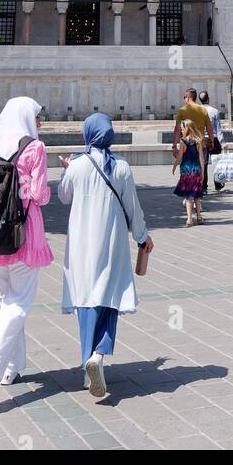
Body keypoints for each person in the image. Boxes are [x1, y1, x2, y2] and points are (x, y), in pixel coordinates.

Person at [0, 97, 53, 413]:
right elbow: (40, 196)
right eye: (38, 116)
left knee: (4, 300)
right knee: (20, 303)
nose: (40, 122)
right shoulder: (35, 148)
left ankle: (10, 368)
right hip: (24, 234)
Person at [58, 114, 152, 400]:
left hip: (81, 246)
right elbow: (133, 208)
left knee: (86, 300)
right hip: (111, 243)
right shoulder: (120, 167)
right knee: (110, 298)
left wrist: (67, 170)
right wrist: (142, 236)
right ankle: (98, 356)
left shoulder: (77, 165)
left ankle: (88, 360)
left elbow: (63, 196)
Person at [173, 120, 206, 226]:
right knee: (197, 195)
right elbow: (201, 157)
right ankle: (199, 217)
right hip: (196, 170)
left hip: (187, 171)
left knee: (188, 196)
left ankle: (189, 219)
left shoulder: (183, 142)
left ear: (187, 128)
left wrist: (174, 166)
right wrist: (203, 172)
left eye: (182, 128)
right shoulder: (198, 141)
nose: (181, 130)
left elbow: (179, 158)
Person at [198, 89, 223, 191]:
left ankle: (204, 187)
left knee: (204, 164)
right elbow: (218, 128)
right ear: (208, 99)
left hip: (202, 140)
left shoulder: (197, 110)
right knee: (217, 162)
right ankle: (217, 183)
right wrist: (222, 142)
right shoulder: (214, 111)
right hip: (214, 139)